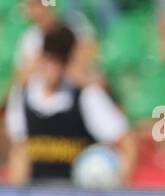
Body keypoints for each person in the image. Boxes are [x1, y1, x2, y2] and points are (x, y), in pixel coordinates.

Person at [5, 25, 131, 184]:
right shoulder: (23, 96)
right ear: (41, 57)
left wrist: (121, 187)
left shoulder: (86, 96)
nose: (54, 68)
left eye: (61, 60)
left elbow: (126, 140)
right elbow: (20, 152)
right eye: (50, 58)